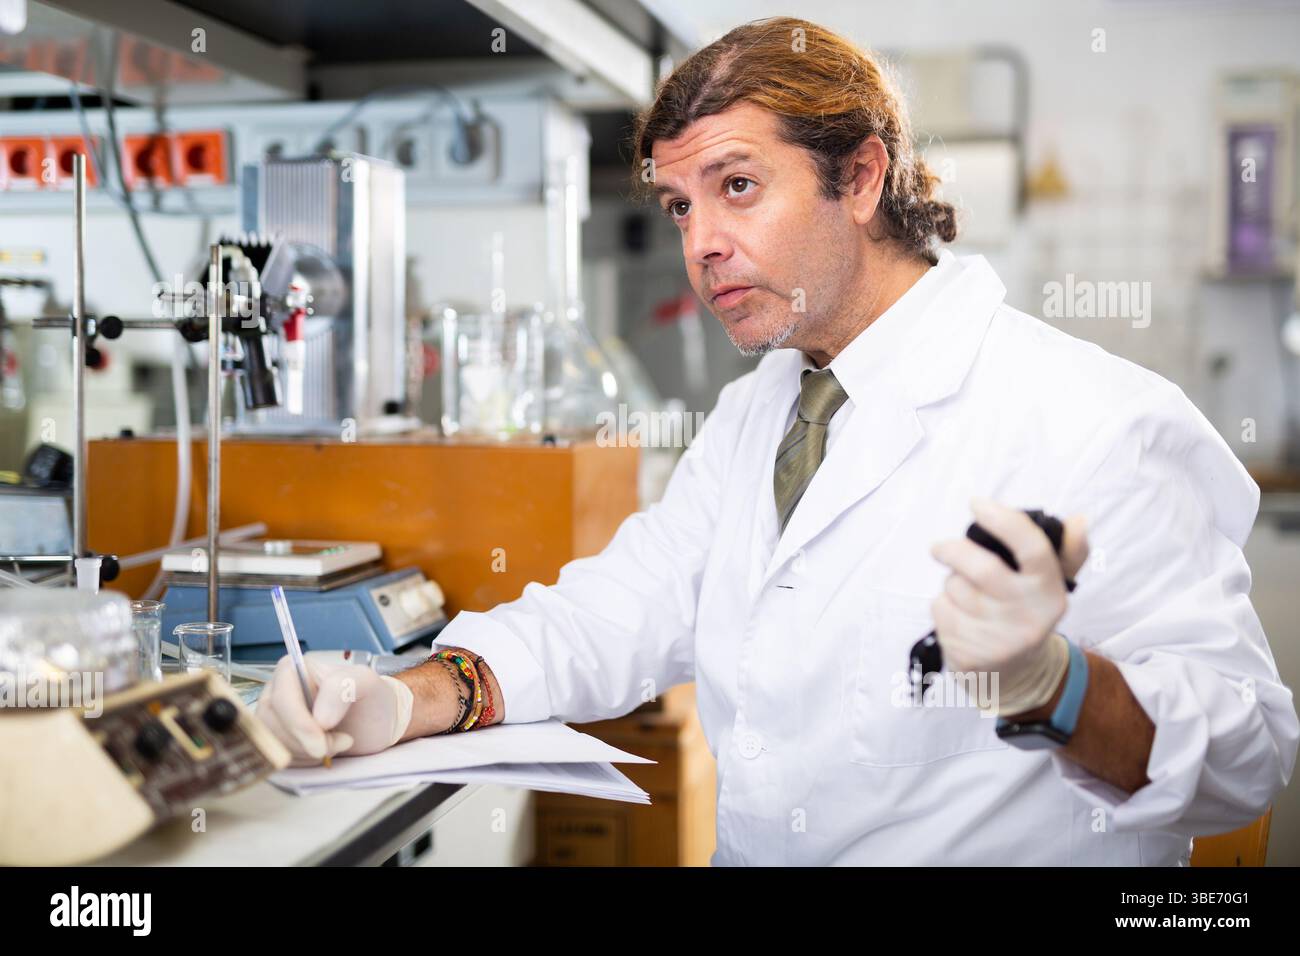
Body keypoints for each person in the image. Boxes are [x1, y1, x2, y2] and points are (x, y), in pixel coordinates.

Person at [257, 16, 1298, 865]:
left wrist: (1050, 680)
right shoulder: (765, 410)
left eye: (737, 186)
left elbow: (1245, 755)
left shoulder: (1090, 417)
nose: (699, 243)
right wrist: (403, 698)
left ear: (858, 178)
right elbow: (615, 612)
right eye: (678, 204)